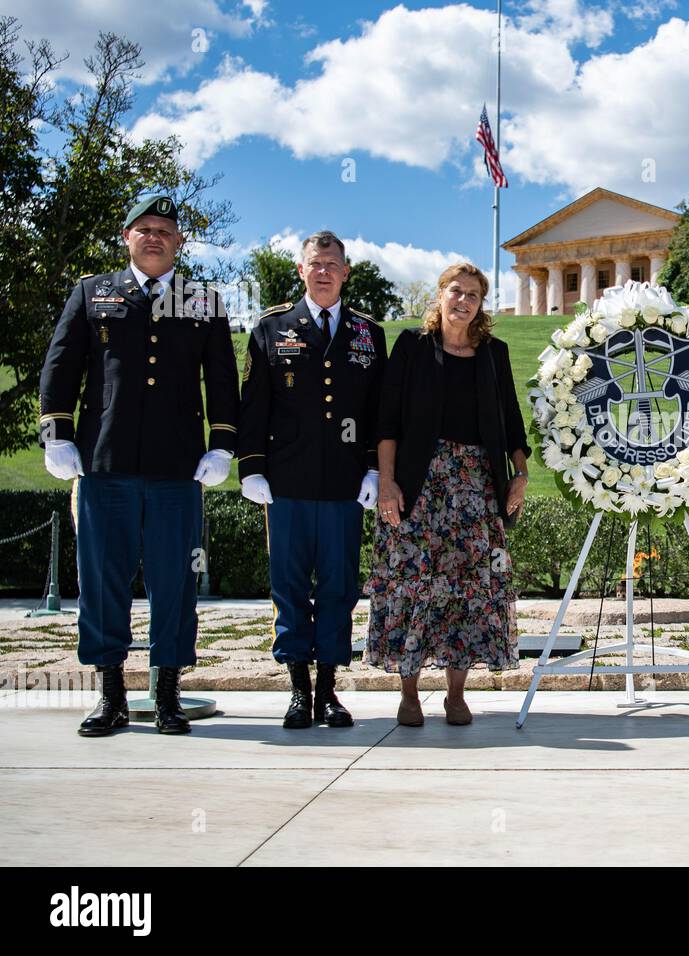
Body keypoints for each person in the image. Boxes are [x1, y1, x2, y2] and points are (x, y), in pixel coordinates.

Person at [38, 194, 239, 736]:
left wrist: (222, 444)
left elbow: (222, 379)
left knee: (175, 580)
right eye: (143, 228)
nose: (154, 237)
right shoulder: (92, 292)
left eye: (164, 230)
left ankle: (168, 690)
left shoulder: (203, 301)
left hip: (178, 468)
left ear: (179, 242)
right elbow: (60, 364)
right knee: (104, 578)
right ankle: (111, 695)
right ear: (126, 237)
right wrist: (55, 434)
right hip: (107, 462)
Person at [367, 263, 529, 727]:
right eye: (456, 292)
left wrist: (519, 473)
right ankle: (409, 692)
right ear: (440, 295)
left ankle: (456, 694)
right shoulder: (412, 347)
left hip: (477, 488)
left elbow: (512, 421)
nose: (463, 301)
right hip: (420, 487)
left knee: (469, 589)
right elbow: (388, 421)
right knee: (414, 586)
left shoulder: (494, 354)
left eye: (473, 295)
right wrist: (387, 481)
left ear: (481, 304)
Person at [238, 231, 387, 729]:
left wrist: (373, 468)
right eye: (314, 264)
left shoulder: (369, 332)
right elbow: (254, 403)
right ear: (300, 271)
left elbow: (378, 411)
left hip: (346, 484)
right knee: (290, 585)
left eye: (332, 265)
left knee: (340, 587)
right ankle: (298, 691)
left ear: (346, 273)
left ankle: (329, 691)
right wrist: (251, 466)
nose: (323, 272)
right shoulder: (272, 328)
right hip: (287, 482)